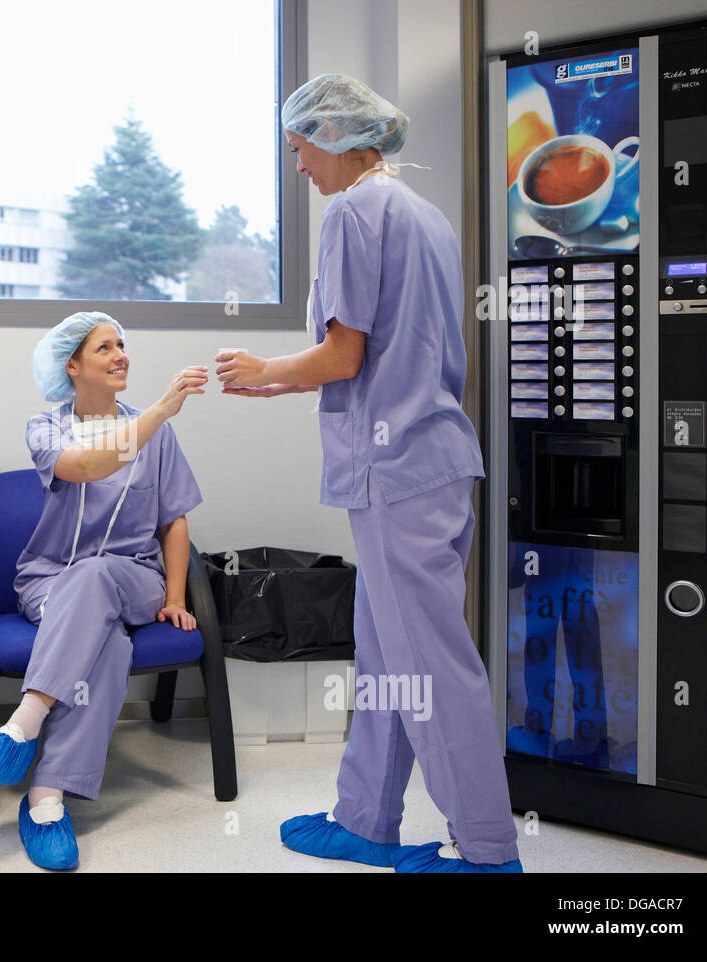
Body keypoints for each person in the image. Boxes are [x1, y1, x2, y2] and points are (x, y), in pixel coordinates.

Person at [216, 73, 521, 873]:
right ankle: (366, 818)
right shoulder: (426, 216)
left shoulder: (353, 211)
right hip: (437, 463)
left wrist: (263, 368)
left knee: (429, 666)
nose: (298, 166)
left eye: (299, 147)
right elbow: (388, 351)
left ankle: (487, 850)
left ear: (337, 136)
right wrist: (276, 378)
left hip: (396, 473)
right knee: (389, 656)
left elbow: (343, 354)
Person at [0, 311, 205, 870]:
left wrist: (174, 597)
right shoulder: (45, 428)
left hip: (135, 580)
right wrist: (162, 411)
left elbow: (174, 522)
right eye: (105, 348)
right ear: (72, 366)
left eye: (122, 345)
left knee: (98, 574)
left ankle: (25, 721)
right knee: (111, 642)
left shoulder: (157, 432)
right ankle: (47, 798)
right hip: (50, 578)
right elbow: (85, 467)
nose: (121, 354)